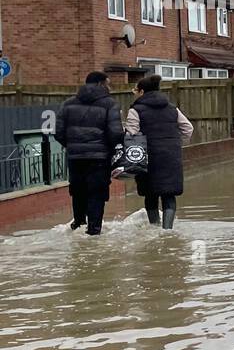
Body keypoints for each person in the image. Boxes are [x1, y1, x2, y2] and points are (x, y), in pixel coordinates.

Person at [54, 71, 124, 236]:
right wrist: (111, 150)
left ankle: (78, 224)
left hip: (75, 157)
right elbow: (115, 133)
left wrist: (72, 146)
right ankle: (94, 230)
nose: (109, 87)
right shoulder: (110, 104)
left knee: (78, 191)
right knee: (97, 193)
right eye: (108, 83)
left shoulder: (67, 104)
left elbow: (58, 132)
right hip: (99, 158)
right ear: (100, 84)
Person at [126, 74, 192, 229]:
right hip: (171, 156)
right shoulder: (172, 108)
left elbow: (131, 135)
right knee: (169, 194)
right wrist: (174, 143)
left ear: (142, 92)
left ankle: (154, 229)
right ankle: (167, 230)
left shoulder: (136, 110)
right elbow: (188, 129)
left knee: (150, 194)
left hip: (148, 158)